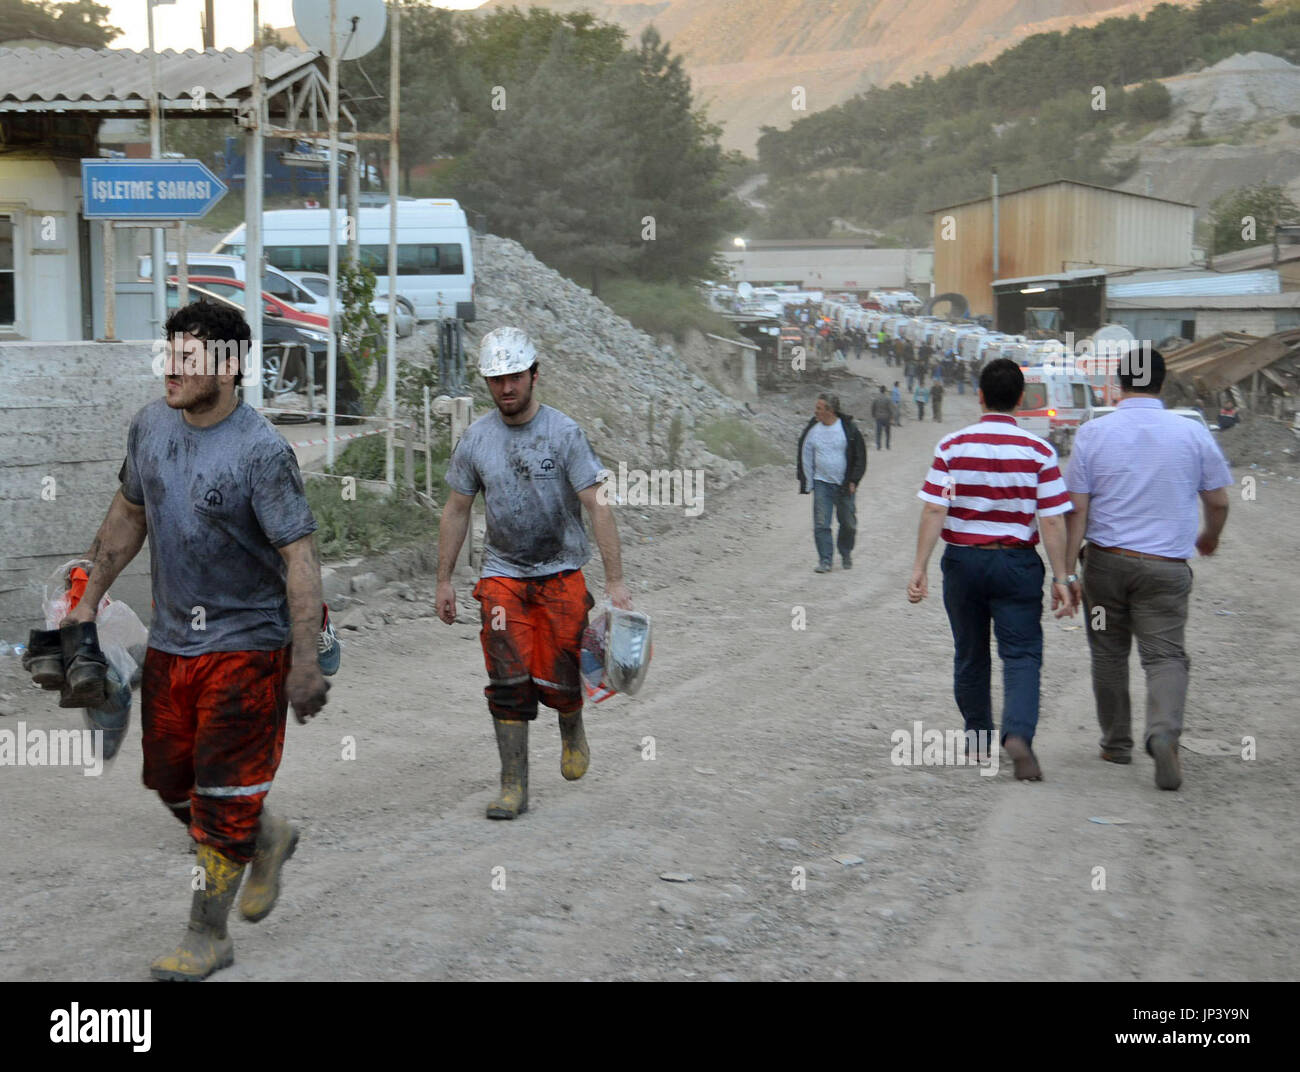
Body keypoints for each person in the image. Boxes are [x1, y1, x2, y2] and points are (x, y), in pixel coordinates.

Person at [63, 298, 328, 980]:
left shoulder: (261, 451)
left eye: (189, 357)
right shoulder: (150, 426)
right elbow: (127, 516)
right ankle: (266, 836)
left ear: (231, 367)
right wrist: (85, 606)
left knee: (222, 792)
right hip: (176, 645)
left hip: (248, 644)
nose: (171, 369)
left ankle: (206, 935)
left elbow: (299, 556)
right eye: (169, 353)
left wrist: (303, 661)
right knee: (171, 781)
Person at [436, 327, 632, 820]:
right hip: (503, 574)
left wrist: (614, 581)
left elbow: (597, 503)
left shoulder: (564, 434)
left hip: (562, 570)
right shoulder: (476, 440)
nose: (506, 388)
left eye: (515, 377)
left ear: (534, 375)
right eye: (497, 379)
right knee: (506, 674)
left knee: (562, 671)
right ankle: (513, 784)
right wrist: (443, 580)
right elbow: (456, 509)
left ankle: (571, 725)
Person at [1064, 348, 1232, 790]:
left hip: (1104, 570)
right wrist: (1209, 536)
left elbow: (1075, 511)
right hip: (1165, 572)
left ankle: (1115, 744)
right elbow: (1217, 500)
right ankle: (1162, 733)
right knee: (1166, 656)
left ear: (1118, 384)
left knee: (1107, 651)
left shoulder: (1092, 434)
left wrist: (1065, 572)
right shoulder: (1191, 434)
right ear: (1163, 383)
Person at [907, 358, 1076, 780]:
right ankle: (1017, 735)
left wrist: (920, 567)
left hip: (963, 562)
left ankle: (979, 740)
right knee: (1020, 654)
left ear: (980, 396)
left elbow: (934, 508)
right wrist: (1061, 577)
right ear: (1021, 400)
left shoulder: (951, 446)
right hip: (1016, 563)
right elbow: (1052, 520)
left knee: (970, 652)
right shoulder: (1039, 451)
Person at [797, 393, 866, 573]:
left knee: (848, 523)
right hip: (822, 483)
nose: (816, 411)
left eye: (819, 408)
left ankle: (845, 552)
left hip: (844, 485)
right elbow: (805, 455)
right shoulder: (813, 431)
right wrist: (808, 480)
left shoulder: (848, 429)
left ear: (831, 410)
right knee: (821, 523)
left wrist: (853, 481)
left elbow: (860, 457)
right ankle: (825, 560)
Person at [871, 385, 893, 451]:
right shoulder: (888, 399)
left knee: (878, 432)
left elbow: (873, 407)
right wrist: (891, 416)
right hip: (886, 417)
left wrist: (873, 415)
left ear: (880, 390)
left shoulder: (876, 398)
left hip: (878, 417)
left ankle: (878, 446)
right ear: (885, 391)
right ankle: (887, 445)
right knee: (887, 432)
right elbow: (890, 409)